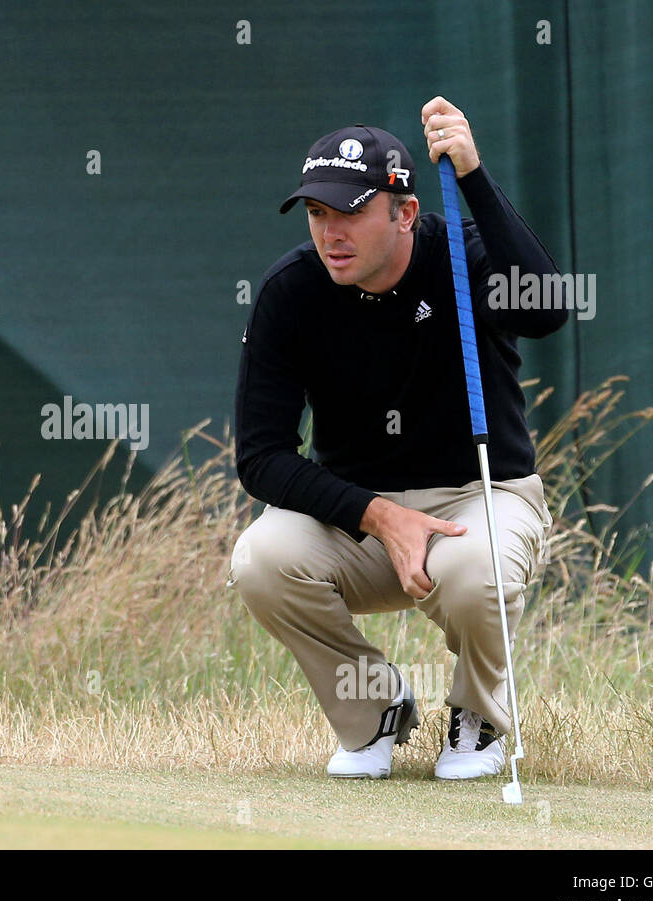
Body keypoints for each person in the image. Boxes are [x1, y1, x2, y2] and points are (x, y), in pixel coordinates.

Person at [229, 97, 567, 780]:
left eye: (351, 212)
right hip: (363, 516)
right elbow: (260, 458)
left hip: (483, 495)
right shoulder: (291, 292)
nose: (332, 233)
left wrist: (472, 174)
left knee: (477, 571)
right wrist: (378, 515)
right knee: (261, 557)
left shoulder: (464, 258)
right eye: (319, 214)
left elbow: (548, 309)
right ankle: (374, 711)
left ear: (405, 212)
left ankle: (478, 718)